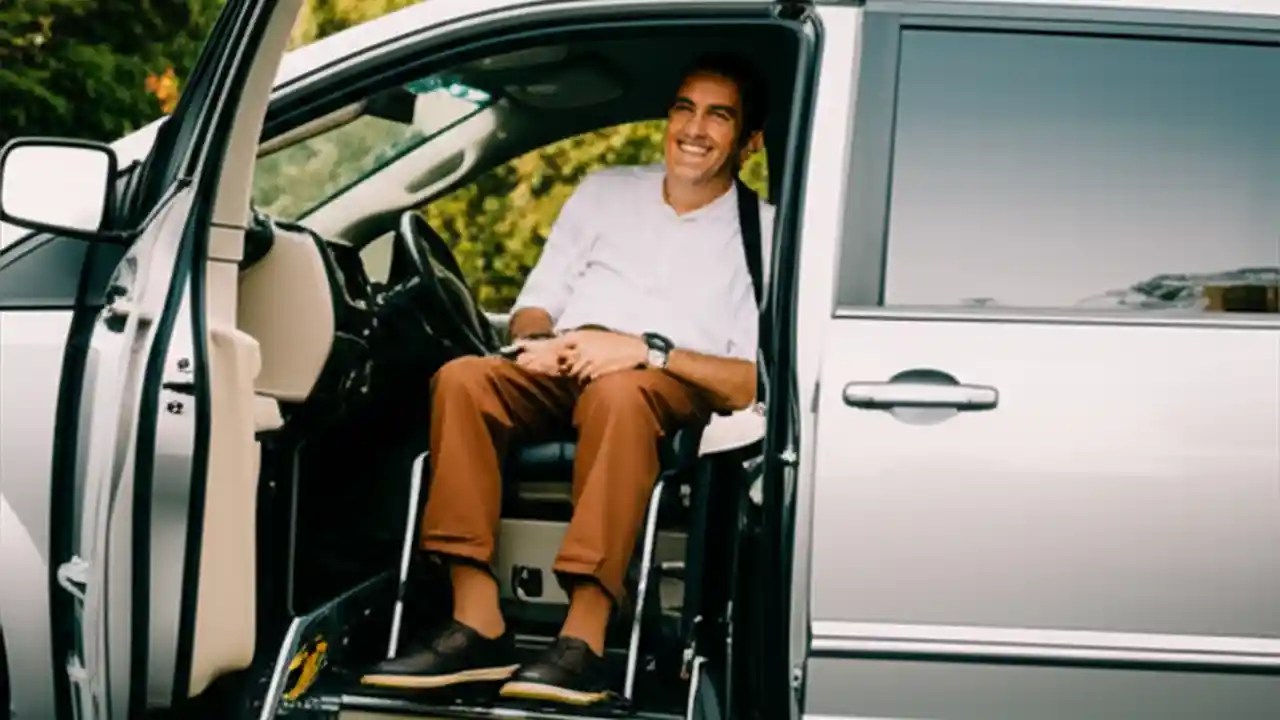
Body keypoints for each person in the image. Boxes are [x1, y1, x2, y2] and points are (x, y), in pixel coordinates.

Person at [361, 52, 773, 706]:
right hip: (566, 366)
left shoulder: (763, 234)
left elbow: (749, 382)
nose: (694, 129)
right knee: (464, 379)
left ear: (749, 142)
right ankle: (477, 620)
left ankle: (584, 636)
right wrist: (538, 345)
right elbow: (536, 302)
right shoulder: (606, 191)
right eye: (684, 108)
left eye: (718, 116)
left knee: (621, 392)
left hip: (661, 385)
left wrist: (643, 350)